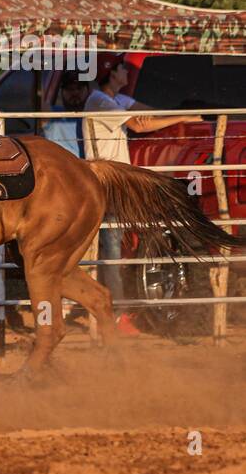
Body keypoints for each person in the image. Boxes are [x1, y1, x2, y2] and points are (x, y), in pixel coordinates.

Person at [82, 54, 201, 335]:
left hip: (115, 181)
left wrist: (179, 113)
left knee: (116, 245)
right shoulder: (99, 100)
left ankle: (115, 309)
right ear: (112, 73)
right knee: (109, 249)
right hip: (105, 182)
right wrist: (185, 116)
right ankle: (115, 313)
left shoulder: (115, 100)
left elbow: (146, 113)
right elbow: (139, 124)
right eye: (123, 67)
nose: (127, 71)